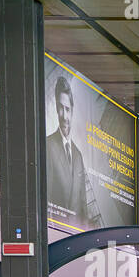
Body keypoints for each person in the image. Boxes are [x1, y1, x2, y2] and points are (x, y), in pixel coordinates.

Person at [45, 75, 98, 228]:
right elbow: (45, 197)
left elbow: (83, 204)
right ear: (56, 109)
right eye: (61, 108)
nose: (64, 116)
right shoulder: (48, 146)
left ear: (72, 111)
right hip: (55, 231)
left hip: (75, 235)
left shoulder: (78, 155)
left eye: (67, 109)